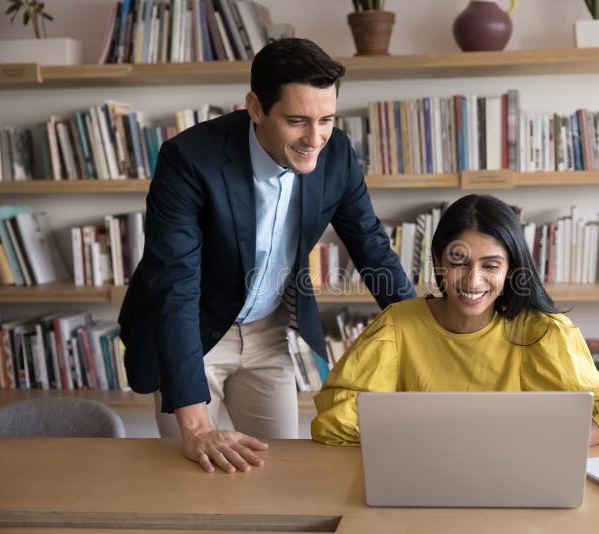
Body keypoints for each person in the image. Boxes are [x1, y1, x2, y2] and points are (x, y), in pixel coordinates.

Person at [119, 38, 414, 473]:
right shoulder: (188, 160)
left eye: (326, 119)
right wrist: (197, 428)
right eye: (297, 121)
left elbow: (371, 245)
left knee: (279, 471)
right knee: (195, 470)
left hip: (269, 332)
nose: (315, 138)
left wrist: (424, 330)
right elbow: (175, 285)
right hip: (195, 332)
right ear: (256, 107)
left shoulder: (336, 155)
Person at [312, 194, 599, 446]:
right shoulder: (397, 327)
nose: (473, 281)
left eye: (490, 265)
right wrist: (420, 441)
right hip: (422, 486)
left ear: (511, 268)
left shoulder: (543, 332)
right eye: (459, 262)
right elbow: (334, 420)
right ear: (439, 262)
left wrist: (547, 443)